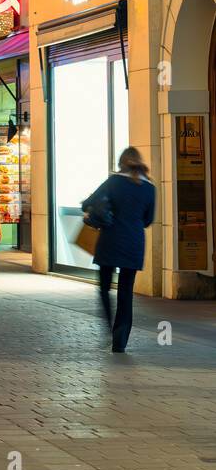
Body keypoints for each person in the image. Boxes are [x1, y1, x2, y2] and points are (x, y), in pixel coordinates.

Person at [82, 147, 155, 353]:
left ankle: (107, 325)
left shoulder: (113, 182)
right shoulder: (149, 187)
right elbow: (148, 220)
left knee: (104, 287)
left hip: (110, 240)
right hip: (134, 243)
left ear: (121, 162)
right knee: (126, 292)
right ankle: (120, 340)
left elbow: (88, 204)